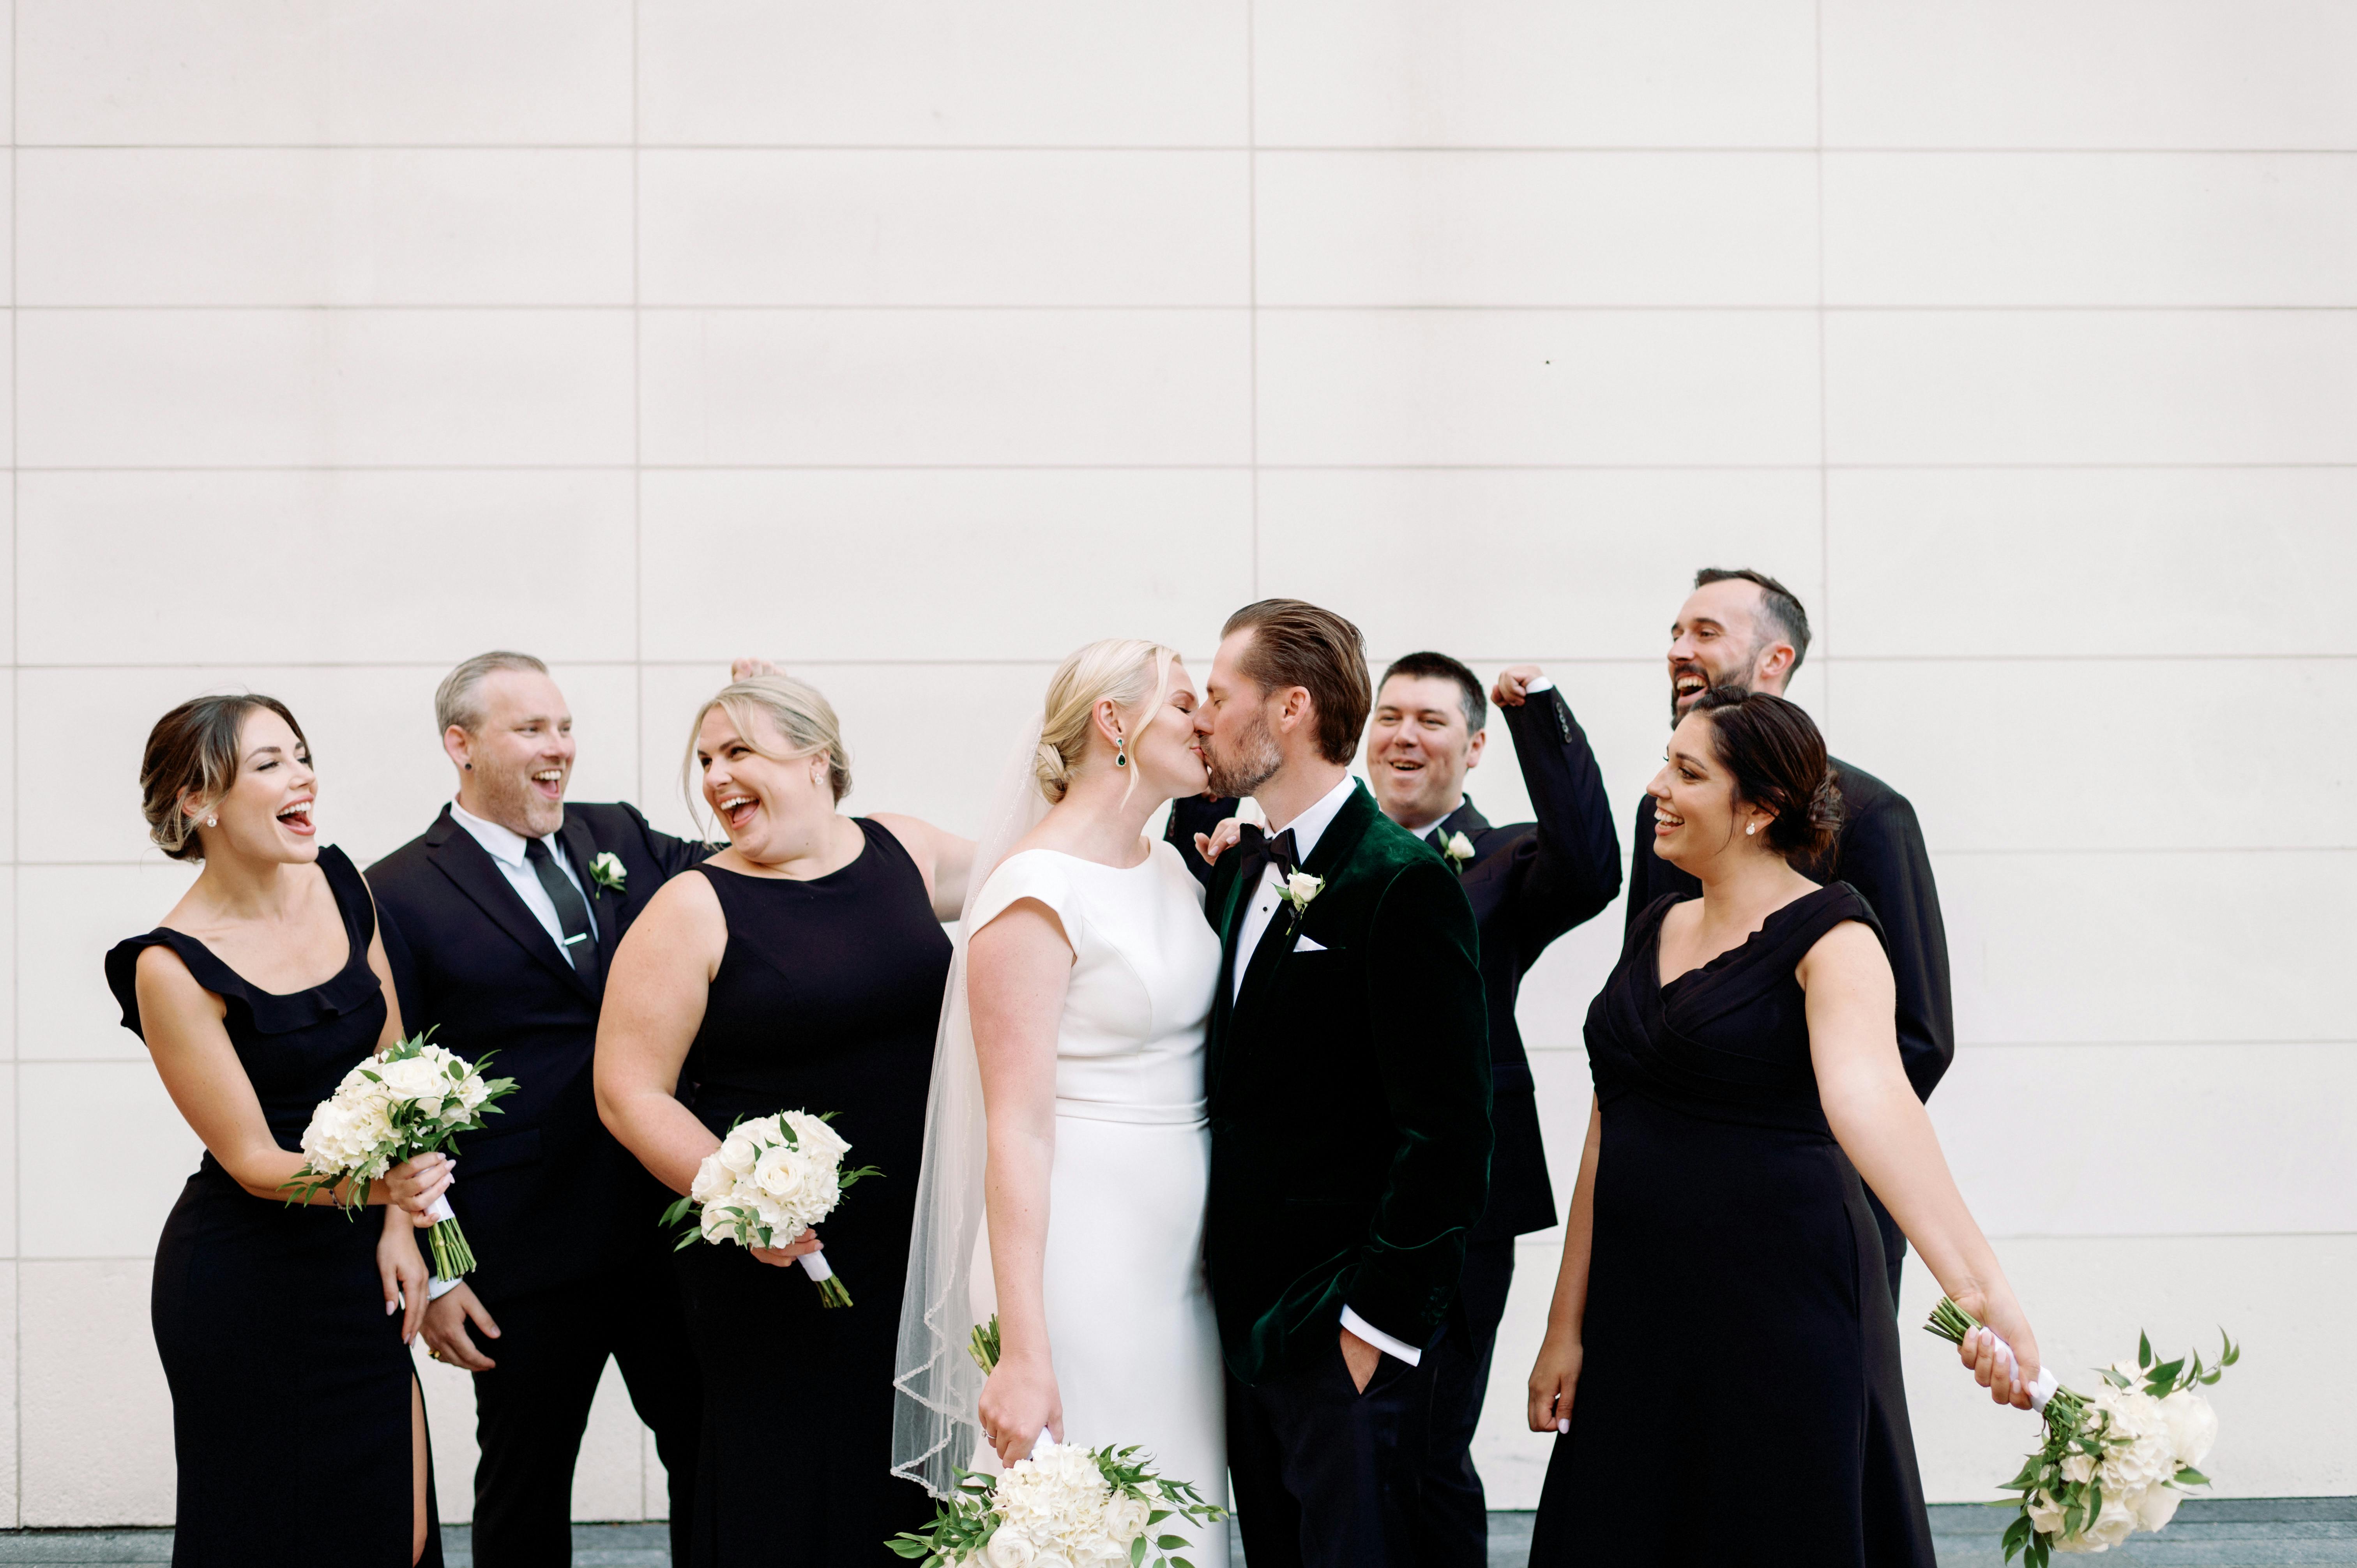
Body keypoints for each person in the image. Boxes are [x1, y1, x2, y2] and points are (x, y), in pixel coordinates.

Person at [1525, 687, 2039, 1567]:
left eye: (1688, 772)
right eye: (1666, 760)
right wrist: (1565, 1323)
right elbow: (1608, 1128)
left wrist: (1980, 1289)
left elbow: (1874, 1102)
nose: (1658, 785)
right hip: (1640, 1309)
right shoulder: (1657, 921)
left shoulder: (1833, 934)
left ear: (1759, 808)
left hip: (1780, 1304)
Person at [1173, 652, 1620, 1565]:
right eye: (1393, 715)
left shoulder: (1493, 860)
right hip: (1283, 1264)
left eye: (1432, 720)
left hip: (1435, 1229)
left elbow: (1588, 865)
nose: (1406, 735)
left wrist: (1540, 712)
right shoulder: (1260, 859)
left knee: (1423, 1464)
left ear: (1475, 746)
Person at [596, 673, 974, 1566]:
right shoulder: (693, 905)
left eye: (740, 752)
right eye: (706, 759)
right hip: (777, 1264)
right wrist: (741, 1197)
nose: (717, 778)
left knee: (911, 1485)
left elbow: (1046, 873)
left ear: (818, 759)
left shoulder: (905, 851)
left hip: (921, 1245)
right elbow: (628, 1090)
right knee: (796, 1484)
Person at [368, 650, 714, 1567]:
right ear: (462, 744)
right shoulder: (395, 890)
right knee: (524, 1483)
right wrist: (442, 1272)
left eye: (563, 726)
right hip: (524, 1246)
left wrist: (760, 724)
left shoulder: (621, 835)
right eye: (532, 729)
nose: (559, 746)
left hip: (665, 1223)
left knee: (711, 1453)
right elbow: (397, 1102)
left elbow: (757, 866)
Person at [890, 640, 1230, 1566]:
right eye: (1188, 702)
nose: (1210, 722)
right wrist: (1025, 1350)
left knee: (1179, 1507)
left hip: (1178, 1269)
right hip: (1075, 1266)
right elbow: (1017, 1126)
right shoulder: (1034, 889)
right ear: (1114, 723)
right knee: (1087, 1521)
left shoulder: (1174, 868)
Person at [103, 694, 453, 1568]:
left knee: (399, 1534)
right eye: (269, 763)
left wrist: (402, 1226)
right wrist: (385, 1192)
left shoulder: (342, 881)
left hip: (358, 1259)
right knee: (270, 1536)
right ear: (198, 802)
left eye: (301, 754)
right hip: (245, 1278)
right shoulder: (169, 963)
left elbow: (397, 1069)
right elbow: (256, 1161)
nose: (304, 776)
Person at [1193, 600, 1491, 1568]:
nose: (1201, 718)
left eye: (1217, 695)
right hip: (1247, 1331)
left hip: (1341, 1335)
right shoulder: (1244, 870)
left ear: (1288, 708)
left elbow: (1448, 1130)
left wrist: (1370, 1329)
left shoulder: (1402, 880)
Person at [1627, 567, 1953, 1306]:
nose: (1680, 649)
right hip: (1661, 1219)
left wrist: (1779, 1152)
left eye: (1706, 633)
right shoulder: (1661, 812)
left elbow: (1918, 1036)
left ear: (1776, 661)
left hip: (1808, 1220)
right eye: (1676, 634)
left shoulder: (1872, 815)